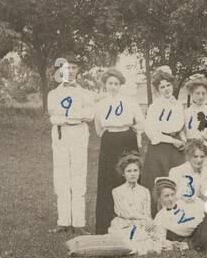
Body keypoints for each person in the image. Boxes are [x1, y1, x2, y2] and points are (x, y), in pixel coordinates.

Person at [93, 68, 145, 234]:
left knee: (129, 175)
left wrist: (131, 131)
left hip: (127, 139)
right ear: (105, 84)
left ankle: (134, 220)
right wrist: (110, 135)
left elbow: (141, 122)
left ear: (120, 85)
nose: (113, 86)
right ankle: (105, 224)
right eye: (110, 83)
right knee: (108, 179)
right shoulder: (100, 104)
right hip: (109, 141)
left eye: (116, 83)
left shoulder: (130, 101)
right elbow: (98, 129)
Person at [46, 57, 93, 234]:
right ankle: (63, 221)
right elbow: (53, 117)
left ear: (78, 70)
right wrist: (75, 116)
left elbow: (89, 116)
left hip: (79, 134)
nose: (70, 71)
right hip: (60, 134)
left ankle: (79, 223)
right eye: (67, 68)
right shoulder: (53, 94)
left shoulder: (86, 93)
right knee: (61, 176)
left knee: (79, 176)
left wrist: (68, 118)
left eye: (74, 67)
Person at [141, 66, 186, 187]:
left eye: (168, 85)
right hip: (160, 148)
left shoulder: (177, 105)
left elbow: (181, 126)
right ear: (157, 90)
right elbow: (150, 132)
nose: (166, 89)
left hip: (177, 149)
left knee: (178, 181)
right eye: (162, 87)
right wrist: (172, 141)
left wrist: (184, 142)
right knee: (160, 182)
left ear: (173, 85)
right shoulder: (154, 107)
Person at [109, 154, 163, 255]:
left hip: (141, 222)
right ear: (123, 173)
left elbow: (147, 212)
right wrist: (145, 219)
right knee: (133, 237)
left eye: (135, 170)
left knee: (157, 230)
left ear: (139, 172)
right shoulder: (117, 191)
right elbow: (127, 213)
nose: (133, 174)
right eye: (129, 171)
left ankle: (148, 244)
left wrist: (149, 221)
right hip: (124, 223)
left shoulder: (145, 191)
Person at [151, 177, 207, 250]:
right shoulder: (160, 217)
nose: (171, 199)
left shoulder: (183, 203)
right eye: (166, 196)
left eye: (172, 194)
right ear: (159, 198)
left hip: (205, 227)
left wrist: (194, 200)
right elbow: (160, 239)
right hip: (199, 236)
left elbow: (202, 212)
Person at [169, 138, 207, 209]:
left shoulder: (204, 172)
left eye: (202, 156)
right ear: (188, 156)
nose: (199, 160)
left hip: (196, 208)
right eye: (195, 156)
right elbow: (169, 196)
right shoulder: (176, 171)